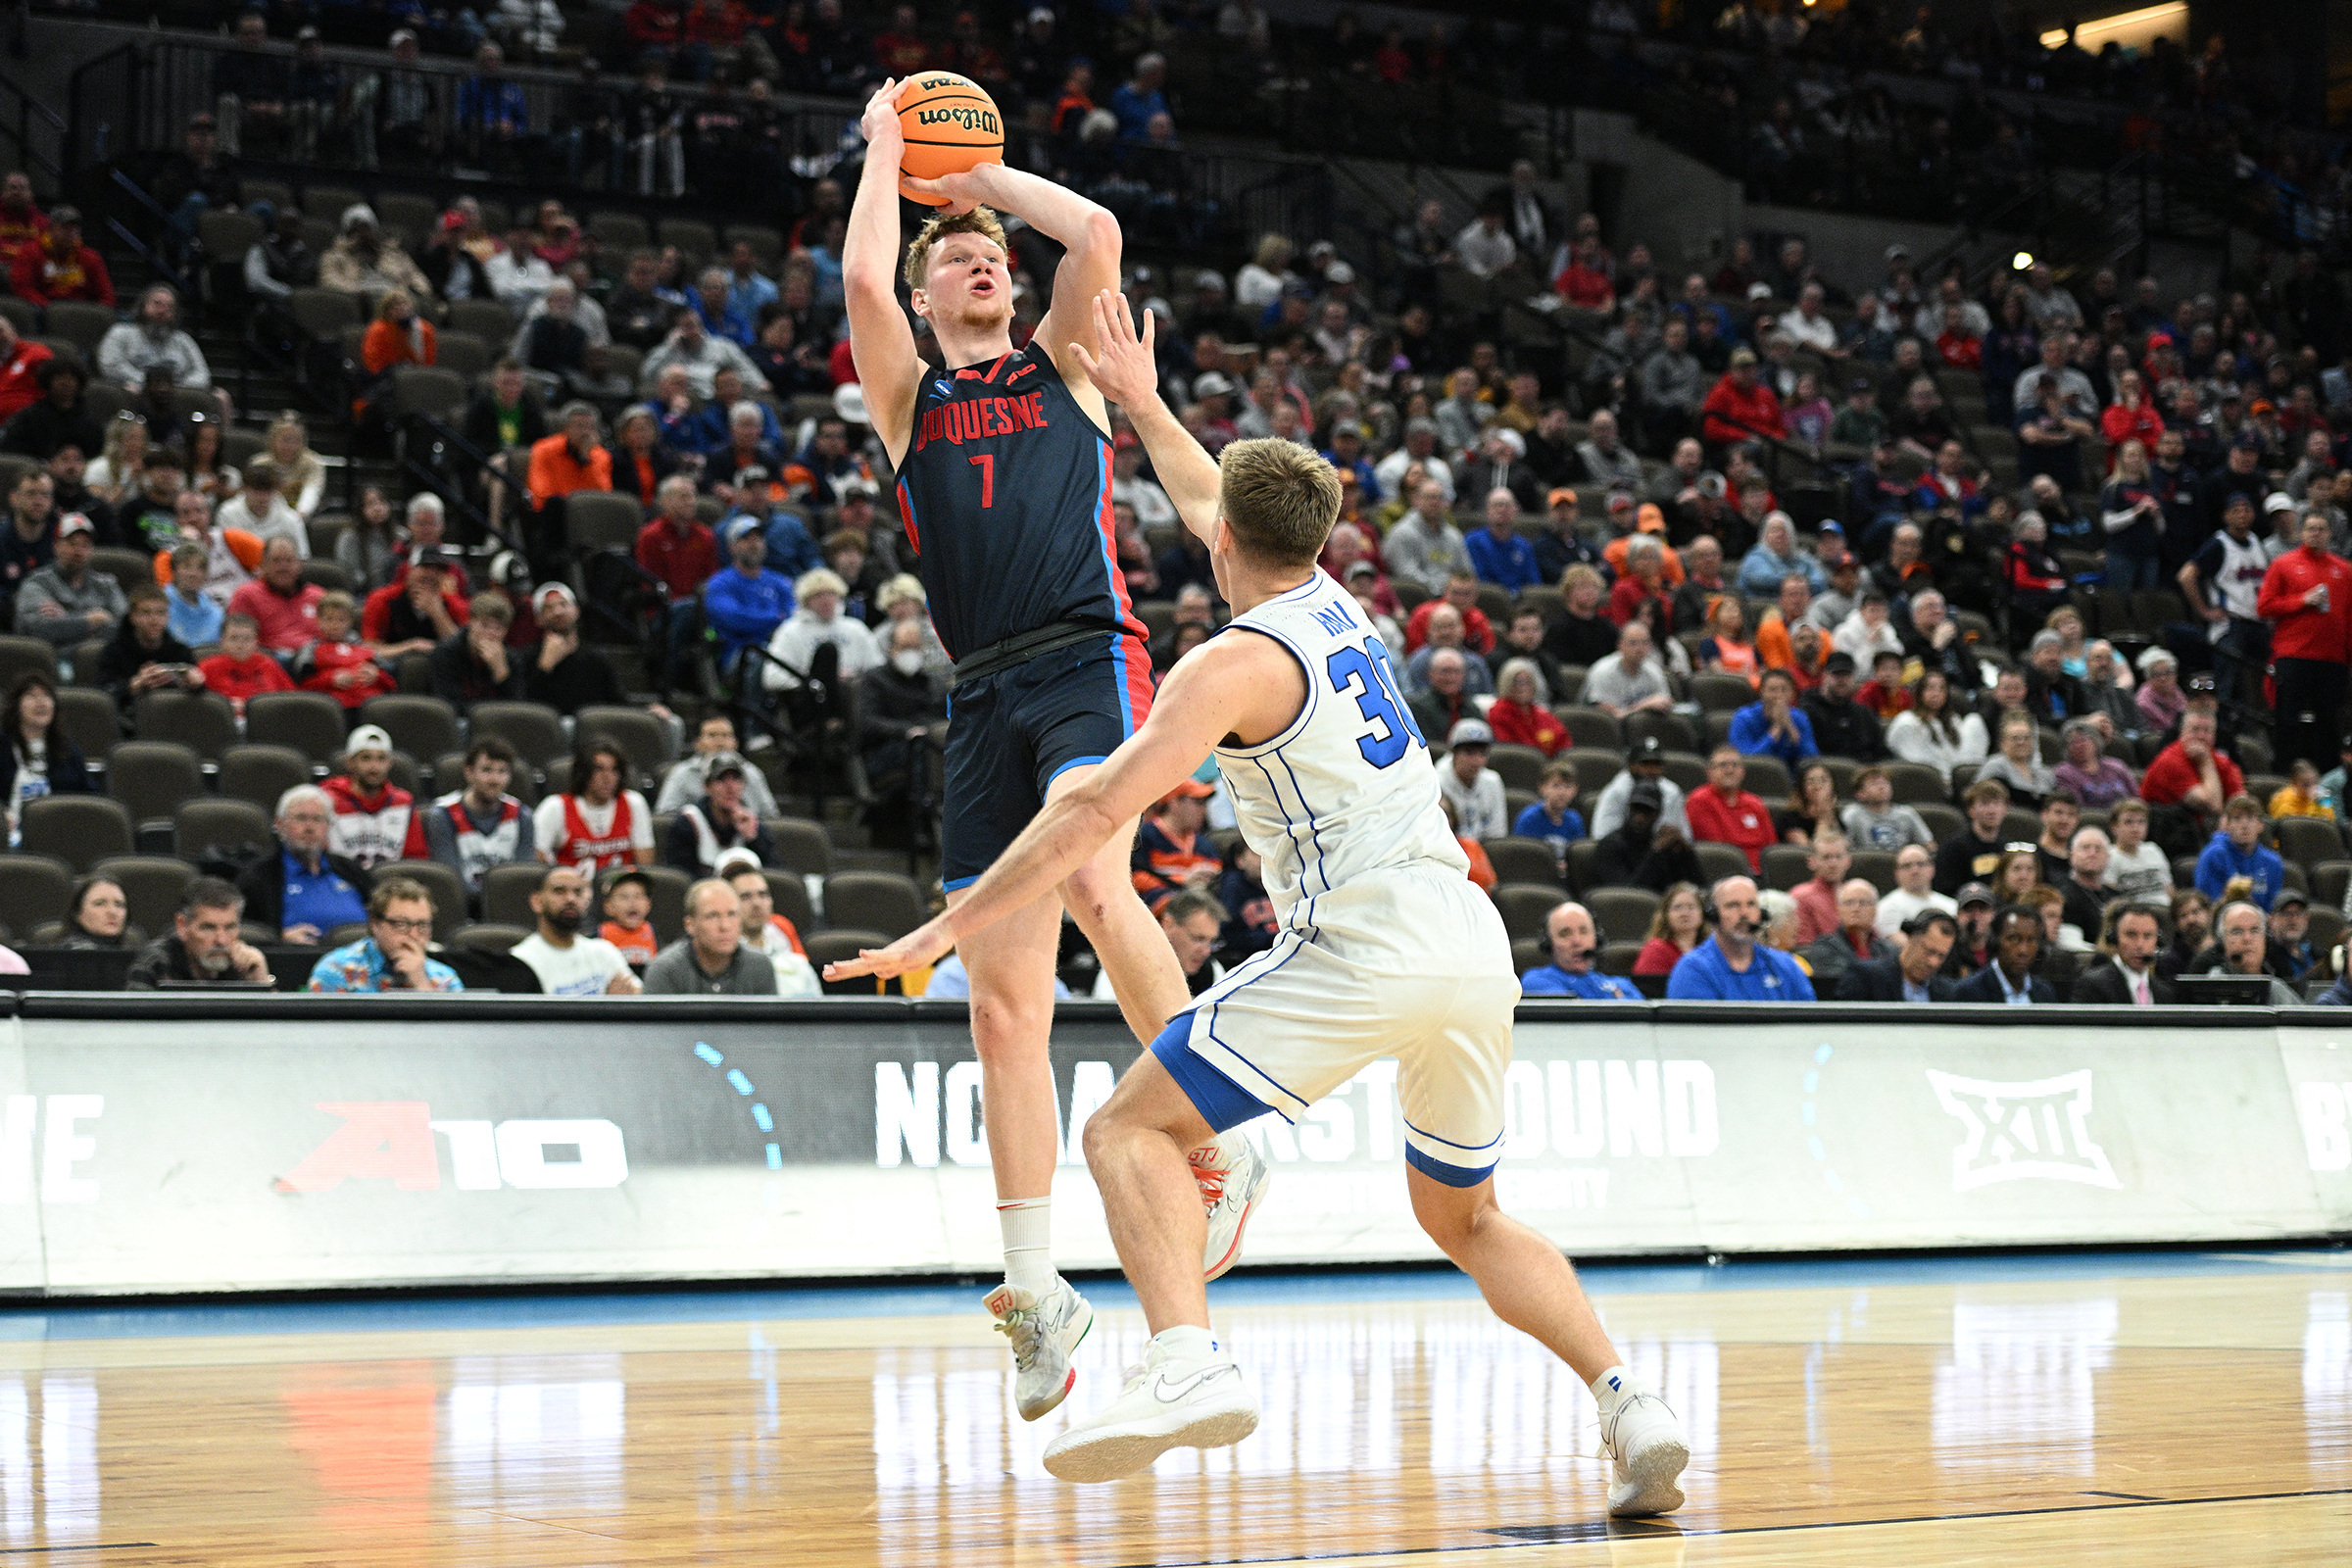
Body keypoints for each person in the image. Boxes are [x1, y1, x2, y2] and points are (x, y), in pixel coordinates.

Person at [823, 392, 1690, 1510]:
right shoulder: (1334, 598)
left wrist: (959, 917)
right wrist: (1139, 399)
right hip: (1470, 936)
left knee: (1127, 1130)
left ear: (1223, 539)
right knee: (1464, 1215)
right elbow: (1209, 490)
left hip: (1364, 937)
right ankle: (1629, 1400)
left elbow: (1091, 819)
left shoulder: (1223, 667)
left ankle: (1186, 1360)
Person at [845, 91, 1268, 1412]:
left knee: (1090, 857)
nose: (985, 262)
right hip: (981, 696)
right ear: (925, 302)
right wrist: (881, 152)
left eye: (995, 260)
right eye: (958, 258)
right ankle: (1037, 1291)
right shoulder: (908, 399)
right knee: (999, 1003)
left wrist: (978, 175)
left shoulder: (1063, 370)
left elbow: (1093, 226)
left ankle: (1222, 1126)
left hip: (1090, 653)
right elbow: (863, 266)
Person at [2257, 509, 2352, 772]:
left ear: (2330, 534)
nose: (2315, 533)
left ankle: (2328, 777)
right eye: (2310, 528)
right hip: (2294, 655)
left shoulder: (2344, 570)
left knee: (2329, 722)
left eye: (2321, 529)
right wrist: (2302, 600)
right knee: (2288, 719)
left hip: (2333, 660)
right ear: (2301, 532)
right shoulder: (2283, 564)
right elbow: (2264, 606)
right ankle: (2284, 773)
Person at [238, 785, 373, 944]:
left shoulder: (350, 869)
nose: (310, 828)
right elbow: (242, 930)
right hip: (293, 960)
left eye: (317, 819)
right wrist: (279, 938)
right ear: (279, 824)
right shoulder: (258, 876)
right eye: (301, 818)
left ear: (328, 827)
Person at [420, 737, 535, 903]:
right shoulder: (443, 814)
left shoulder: (522, 816)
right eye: (487, 770)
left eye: (502, 771)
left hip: (507, 905)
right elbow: (450, 879)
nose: (495, 780)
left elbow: (521, 877)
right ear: (469, 773)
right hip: (460, 904)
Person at [1664, 875, 1814, 1001]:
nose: (1744, 913)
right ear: (1714, 915)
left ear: (1761, 914)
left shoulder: (1787, 966)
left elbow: (1810, 1025)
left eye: (1751, 904)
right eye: (1733, 905)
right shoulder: (1693, 969)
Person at [308, 877, 463, 993]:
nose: (414, 935)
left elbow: (453, 1035)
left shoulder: (445, 978)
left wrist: (421, 983)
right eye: (401, 924)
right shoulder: (336, 968)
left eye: (422, 925)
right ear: (375, 924)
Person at [511, 863, 644, 996]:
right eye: (559, 891)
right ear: (537, 901)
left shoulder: (604, 952)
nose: (571, 899)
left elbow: (639, 995)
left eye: (578, 892)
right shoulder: (521, 962)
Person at [126, 877, 271, 989]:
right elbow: (133, 1023)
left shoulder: (244, 964)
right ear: (182, 926)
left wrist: (260, 980)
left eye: (229, 927)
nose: (221, 940)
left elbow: (274, 1025)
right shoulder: (156, 963)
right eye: (208, 928)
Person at [642, 877, 778, 996]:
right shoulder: (665, 970)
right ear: (690, 925)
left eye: (732, 914)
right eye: (712, 916)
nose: (725, 926)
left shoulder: (760, 966)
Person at [718, 851, 821, 999]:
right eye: (745, 897)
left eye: (763, 895)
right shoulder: (719, 951)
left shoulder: (784, 937)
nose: (757, 904)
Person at [537, 743, 655, 872]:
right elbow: (537, 858)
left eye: (614, 770)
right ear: (583, 773)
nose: (607, 778)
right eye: (599, 769)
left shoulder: (634, 803)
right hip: (573, 889)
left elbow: (645, 864)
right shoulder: (555, 806)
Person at [12, 513, 122, 649]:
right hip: (54, 661)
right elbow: (34, 629)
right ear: (56, 546)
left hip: (98, 660)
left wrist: (66, 620)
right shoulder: (37, 583)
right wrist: (93, 620)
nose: (78, 551)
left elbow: (126, 629)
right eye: (72, 543)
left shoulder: (106, 584)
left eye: (85, 545)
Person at [1094, 890, 1226, 1002]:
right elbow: (1107, 1025)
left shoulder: (1212, 971)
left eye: (1211, 941)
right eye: (1198, 938)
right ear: (1168, 925)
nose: (1206, 951)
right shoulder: (1124, 967)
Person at [320, 724, 420, 870]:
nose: (374, 767)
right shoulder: (326, 800)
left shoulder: (403, 802)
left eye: (381, 759)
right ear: (350, 763)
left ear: (390, 763)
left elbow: (416, 859)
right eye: (366, 758)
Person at [1, 673, 91, 834]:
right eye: (32, 695)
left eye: (46, 696)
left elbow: (89, 796)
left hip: (58, 833)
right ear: (16, 705)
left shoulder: (67, 749)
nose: (41, 702)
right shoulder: (2, 745)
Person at [664, 751, 773, 876]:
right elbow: (681, 877)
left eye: (736, 779)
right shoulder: (688, 823)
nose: (730, 787)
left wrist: (753, 839)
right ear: (707, 786)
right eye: (721, 780)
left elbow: (773, 874)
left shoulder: (753, 823)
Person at [1590, 779, 1702, 893]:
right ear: (1628, 808)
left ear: (1659, 813)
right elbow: (1625, 897)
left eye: (1647, 812)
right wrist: (1656, 853)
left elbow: (1699, 888)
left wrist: (1685, 853)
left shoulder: (1665, 846)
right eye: (1636, 809)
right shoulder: (1610, 846)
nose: (1640, 818)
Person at [2183, 899, 2303, 1004]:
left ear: (2265, 939)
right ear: (2222, 942)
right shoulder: (2214, 985)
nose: (2247, 938)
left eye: (2255, 930)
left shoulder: (2276, 987)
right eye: (2237, 932)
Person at [658, 714, 781, 816]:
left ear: (736, 743)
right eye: (712, 735)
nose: (720, 742)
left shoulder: (751, 772)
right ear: (698, 743)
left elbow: (770, 816)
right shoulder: (682, 773)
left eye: (726, 736)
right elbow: (664, 814)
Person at [1520, 902, 1641, 999]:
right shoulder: (1536, 981)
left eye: (1584, 931)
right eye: (1565, 934)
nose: (1577, 941)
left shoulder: (1623, 985)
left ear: (1597, 939)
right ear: (1548, 944)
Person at [1836, 909, 1959, 1002]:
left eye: (1941, 956)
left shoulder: (1947, 992)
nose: (1933, 962)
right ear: (1911, 938)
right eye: (1929, 951)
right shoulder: (1866, 978)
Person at [1687, 746, 1775, 872]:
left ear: (1743, 771)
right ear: (1709, 772)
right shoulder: (1699, 800)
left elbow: (1770, 847)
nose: (1730, 770)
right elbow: (1718, 848)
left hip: (1760, 874)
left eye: (1735, 765)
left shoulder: (1755, 803)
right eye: (1723, 765)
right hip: (1722, 871)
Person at [2071, 902, 2176, 1004]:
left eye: (2147, 936)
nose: (2140, 945)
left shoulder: (2164, 993)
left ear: (2158, 941)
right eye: (2131, 935)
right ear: (2114, 938)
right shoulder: (2092, 985)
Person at [2194, 793, 2285, 909]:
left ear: (2260, 825)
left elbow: (2273, 908)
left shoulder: (2273, 862)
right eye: (2237, 818)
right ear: (2227, 826)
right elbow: (2207, 904)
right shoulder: (2213, 855)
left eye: (2250, 818)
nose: (2244, 825)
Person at [1952, 906, 2059, 1004]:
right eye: (2014, 939)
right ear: (1995, 942)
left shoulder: (2045, 992)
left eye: (2031, 940)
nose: (2023, 950)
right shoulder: (1970, 991)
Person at [197, 612, 294, 716]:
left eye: (247, 639)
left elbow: (291, 698)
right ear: (222, 641)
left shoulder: (269, 664)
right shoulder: (207, 667)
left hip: (267, 720)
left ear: (256, 641)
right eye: (234, 638)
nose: (240, 645)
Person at [1728, 667, 1817, 769]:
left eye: (1784, 690)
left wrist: (1790, 727)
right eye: (1772, 690)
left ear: (1792, 694)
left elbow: (1812, 761)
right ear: (1761, 692)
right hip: (1754, 778)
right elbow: (1746, 761)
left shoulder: (1800, 717)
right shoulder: (1743, 718)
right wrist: (1776, 729)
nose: (1778, 696)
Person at [1437, 718, 1508, 842]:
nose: (1476, 761)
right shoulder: (1436, 781)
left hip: (1481, 852)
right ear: (1454, 752)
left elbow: (1497, 834)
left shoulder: (1492, 781)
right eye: (1469, 752)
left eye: (1482, 753)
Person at [1788, 832, 1852, 946]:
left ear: (1848, 861)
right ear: (1811, 862)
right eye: (1826, 857)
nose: (1833, 863)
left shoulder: (1858, 893)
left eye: (1838, 856)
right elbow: (1804, 946)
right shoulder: (1800, 897)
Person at [1634, 883, 1709, 977]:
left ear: (1702, 913)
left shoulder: (1712, 948)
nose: (1685, 913)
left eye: (1691, 907)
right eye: (1677, 907)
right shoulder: (1655, 950)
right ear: (1666, 915)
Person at [55, 874, 129, 950]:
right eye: (99, 903)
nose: (112, 912)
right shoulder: (73, 954)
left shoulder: (132, 953)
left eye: (119, 904)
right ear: (77, 913)